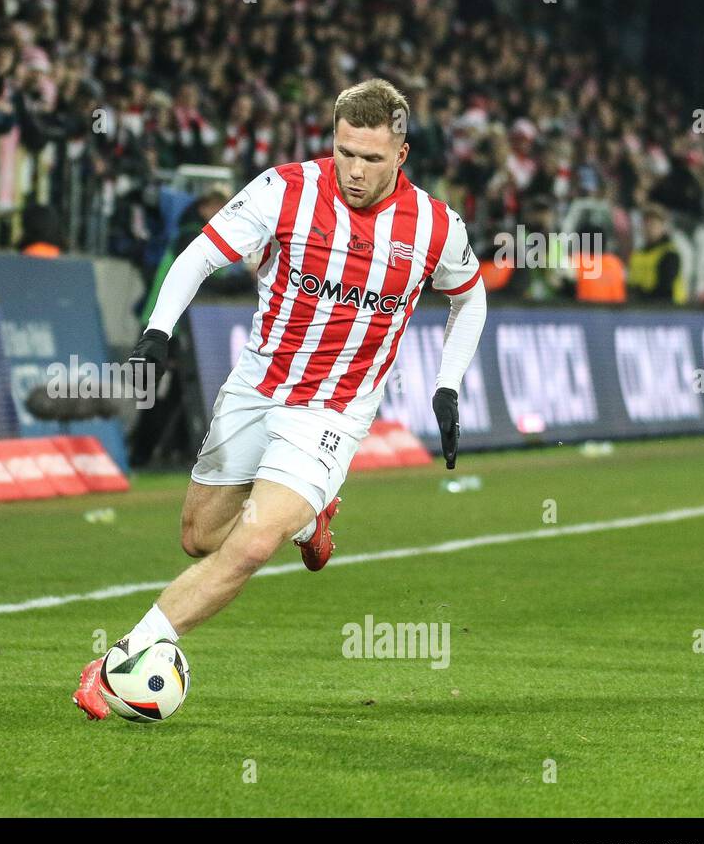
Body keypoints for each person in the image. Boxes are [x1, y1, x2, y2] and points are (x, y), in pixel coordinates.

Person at [72, 79, 488, 719]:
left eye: (372, 158)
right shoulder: (284, 190)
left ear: (400, 155)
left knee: (254, 539)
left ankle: (124, 658)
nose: (354, 169)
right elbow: (199, 257)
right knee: (200, 535)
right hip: (257, 386)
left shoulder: (435, 225)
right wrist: (156, 331)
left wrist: (447, 384)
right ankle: (308, 520)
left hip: (334, 410)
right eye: (345, 151)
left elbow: (471, 296)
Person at [628, 203, 683, 303]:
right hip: (642, 309)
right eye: (646, 223)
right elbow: (631, 284)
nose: (649, 228)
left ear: (663, 226)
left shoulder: (669, 254)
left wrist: (640, 295)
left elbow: (665, 289)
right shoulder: (637, 254)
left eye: (653, 224)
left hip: (667, 310)